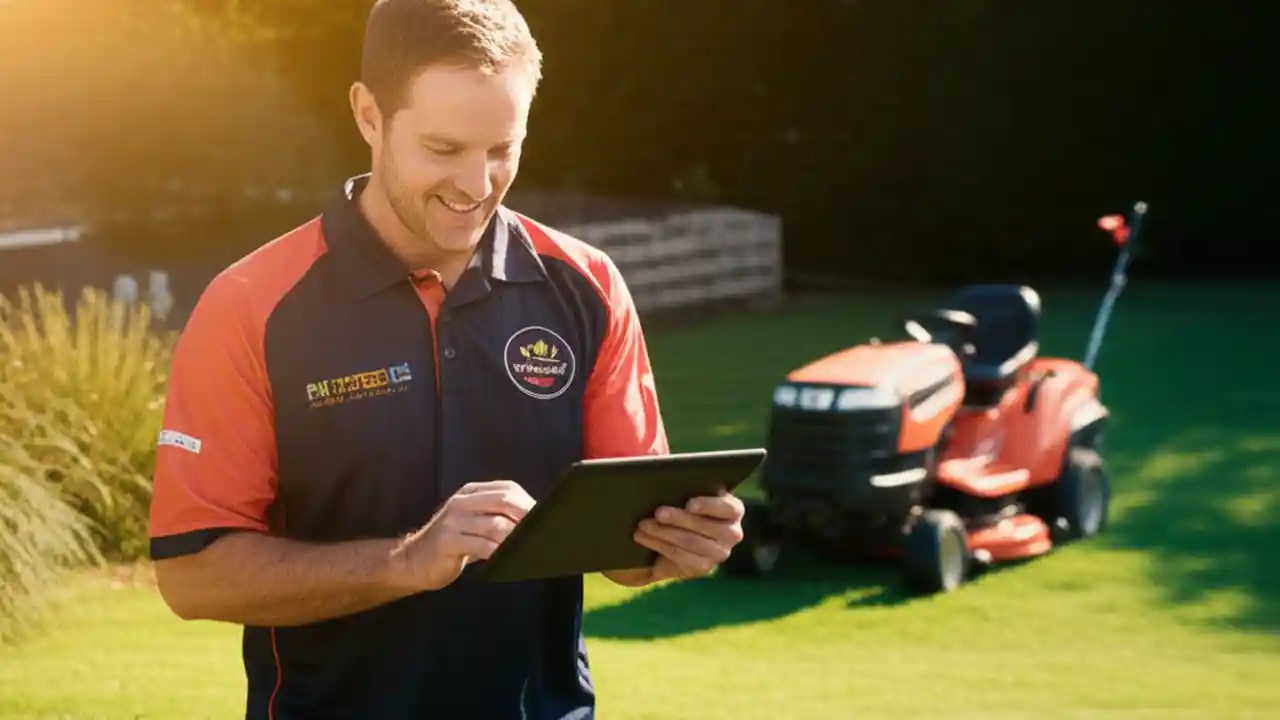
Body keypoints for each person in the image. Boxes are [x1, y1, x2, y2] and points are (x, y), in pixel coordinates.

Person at [146, 1, 747, 718]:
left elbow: (622, 548)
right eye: (443, 149)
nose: (476, 185)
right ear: (369, 116)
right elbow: (192, 576)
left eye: (503, 149)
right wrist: (405, 563)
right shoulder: (251, 305)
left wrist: (676, 543)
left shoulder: (587, 287)